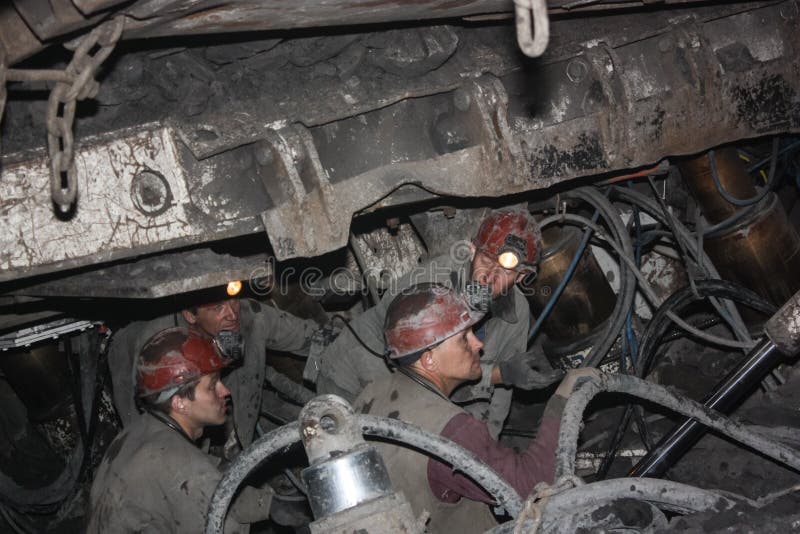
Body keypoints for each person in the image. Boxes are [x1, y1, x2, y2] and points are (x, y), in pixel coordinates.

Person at [353, 284, 599, 532]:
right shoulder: (452, 430)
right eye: (463, 338)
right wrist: (564, 398)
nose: (477, 344)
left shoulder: (371, 392)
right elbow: (532, 486)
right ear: (428, 359)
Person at [311, 208, 563, 437]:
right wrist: (501, 374)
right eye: (486, 261)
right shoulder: (433, 284)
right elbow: (430, 371)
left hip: (425, 388)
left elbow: (501, 392)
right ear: (472, 251)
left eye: (506, 271)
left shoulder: (516, 314)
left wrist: (486, 453)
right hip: (360, 374)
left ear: (520, 277)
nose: (490, 277)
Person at [88, 327, 275, 533]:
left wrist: (268, 505)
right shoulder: (184, 467)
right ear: (180, 403)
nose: (225, 391)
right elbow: (202, 494)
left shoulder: (141, 427)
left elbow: (208, 484)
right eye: (212, 386)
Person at [108, 289, 320, 447]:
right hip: (155, 405)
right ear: (190, 315)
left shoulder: (246, 315)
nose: (232, 314)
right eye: (217, 308)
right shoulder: (160, 350)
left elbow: (310, 338)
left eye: (233, 299)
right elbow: (157, 432)